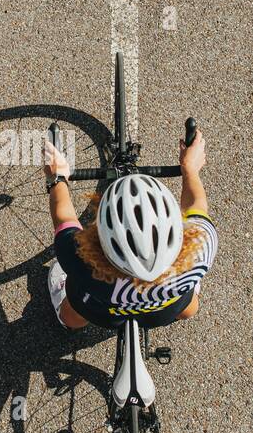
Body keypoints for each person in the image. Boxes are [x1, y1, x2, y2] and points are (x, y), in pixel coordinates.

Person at [42, 130, 216, 330]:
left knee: (72, 315)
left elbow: (64, 218)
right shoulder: (202, 247)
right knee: (188, 307)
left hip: (102, 311)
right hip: (163, 311)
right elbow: (196, 204)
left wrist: (57, 178)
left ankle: (67, 318)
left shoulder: (79, 262)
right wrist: (190, 169)